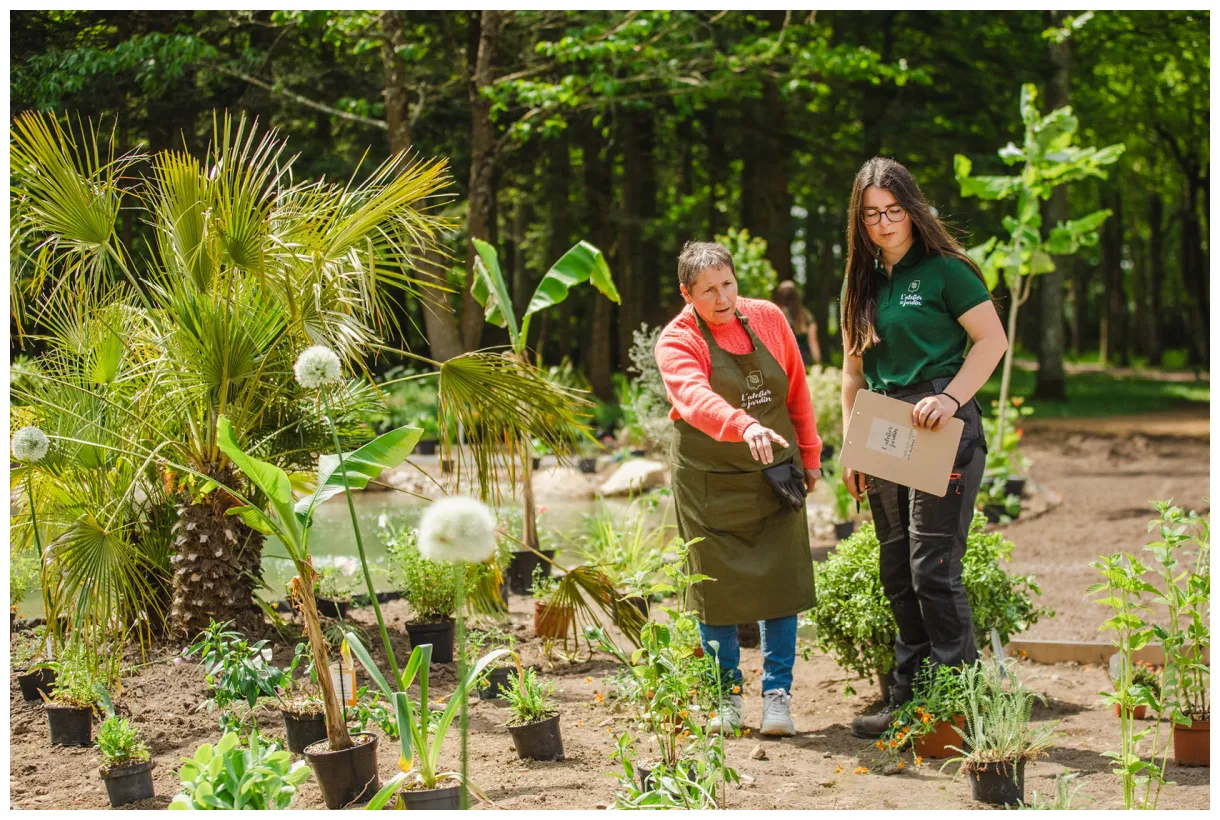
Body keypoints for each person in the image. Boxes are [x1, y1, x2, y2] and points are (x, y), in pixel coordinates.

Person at [838, 157, 1008, 738]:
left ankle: (963, 709)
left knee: (933, 569)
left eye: (893, 211)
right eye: (871, 215)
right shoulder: (860, 281)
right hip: (884, 427)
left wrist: (953, 399)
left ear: (912, 209)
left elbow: (992, 340)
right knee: (896, 569)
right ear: (859, 222)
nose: (884, 224)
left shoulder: (946, 270)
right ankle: (905, 702)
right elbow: (853, 373)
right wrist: (851, 447)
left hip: (939, 422)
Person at [655, 241, 821, 738]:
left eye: (728, 283)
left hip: (776, 474)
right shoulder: (677, 339)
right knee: (715, 590)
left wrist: (809, 456)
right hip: (710, 481)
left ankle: (777, 696)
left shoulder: (768, 318)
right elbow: (693, 396)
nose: (722, 297)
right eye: (708, 290)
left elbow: (797, 391)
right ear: (688, 294)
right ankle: (724, 696)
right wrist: (741, 424)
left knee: (781, 585)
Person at [772, 280, 822, 366]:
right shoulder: (806, 315)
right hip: (802, 360)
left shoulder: (774, 315)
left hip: (782, 360)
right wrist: (818, 365)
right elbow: (813, 342)